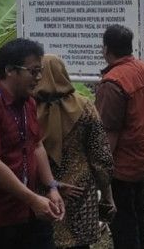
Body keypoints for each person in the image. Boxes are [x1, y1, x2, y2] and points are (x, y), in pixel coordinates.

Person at [0, 38, 65, 249]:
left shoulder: (29, 103)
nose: (37, 78)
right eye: (32, 71)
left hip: (29, 213)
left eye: (40, 71)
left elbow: (37, 146)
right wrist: (33, 200)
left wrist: (52, 187)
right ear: (10, 70)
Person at [35, 54, 116, 249]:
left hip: (41, 193)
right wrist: (107, 195)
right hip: (80, 192)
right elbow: (101, 157)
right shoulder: (85, 106)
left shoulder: (27, 109)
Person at [95, 25, 144, 249]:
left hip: (121, 166)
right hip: (142, 160)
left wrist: (101, 170)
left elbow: (108, 134)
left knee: (123, 226)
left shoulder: (113, 84)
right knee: (140, 215)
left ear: (105, 49)